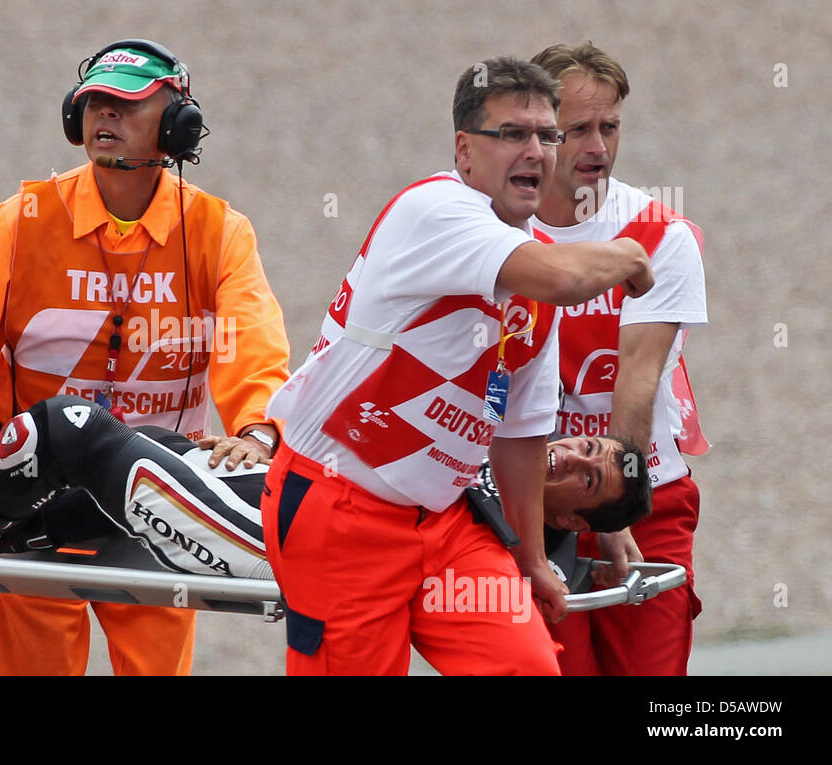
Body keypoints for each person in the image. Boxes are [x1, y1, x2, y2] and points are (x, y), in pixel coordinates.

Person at [0, 40, 290, 675]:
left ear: (178, 125)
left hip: (155, 499)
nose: (104, 117)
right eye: (93, 103)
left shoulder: (219, 231)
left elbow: (251, 343)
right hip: (26, 496)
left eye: (124, 104)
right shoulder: (21, 222)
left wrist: (258, 430)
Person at [257, 56, 658, 676]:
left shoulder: (537, 264)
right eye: (513, 134)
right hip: (342, 510)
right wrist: (629, 251)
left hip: (445, 522)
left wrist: (530, 558)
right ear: (464, 150)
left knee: (527, 665)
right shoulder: (437, 209)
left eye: (547, 136)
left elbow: (522, 435)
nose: (537, 151)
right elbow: (571, 277)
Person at [0, 396, 650, 588]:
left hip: (268, 538)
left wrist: (580, 548)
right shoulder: (495, 451)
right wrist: (265, 435)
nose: (572, 457)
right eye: (586, 444)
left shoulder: (520, 542)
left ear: (577, 516)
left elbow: (535, 574)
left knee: (71, 427)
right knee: (148, 439)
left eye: (587, 477)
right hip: (268, 491)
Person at [529, 42, 708, 675]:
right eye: (577, 130)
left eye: (610, 127)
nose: (598, 147)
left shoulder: (662, 234)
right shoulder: (496, 232)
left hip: (644, 493)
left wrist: (611, 508)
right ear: (536, 132)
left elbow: (636, 378)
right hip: (534, 500)